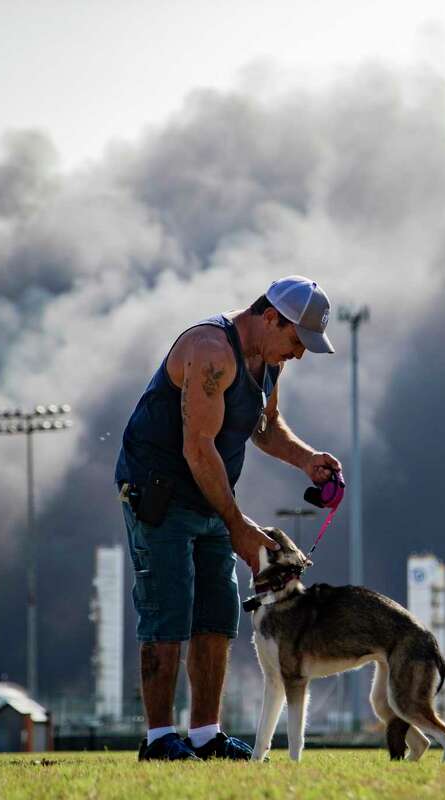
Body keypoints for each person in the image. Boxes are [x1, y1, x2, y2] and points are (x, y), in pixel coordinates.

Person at [115, 276, 342, 761]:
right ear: (270, 317)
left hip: (210, 496)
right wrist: (238, 525)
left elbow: (266, 425)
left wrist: (307, 460)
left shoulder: (269, 362)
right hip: (159, 492)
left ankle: (204, 735)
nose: (299, 354)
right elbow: (197, 448)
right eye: (296, 340)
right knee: (167, 610)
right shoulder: (210, 350)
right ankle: (159, 740)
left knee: (217, 614)